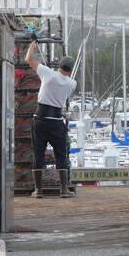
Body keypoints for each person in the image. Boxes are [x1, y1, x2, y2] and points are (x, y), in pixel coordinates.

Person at [26, 40, 77, 198]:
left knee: (38, 153)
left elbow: (29, 59)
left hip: (40, 119)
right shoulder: (72, 83)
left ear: (59, 65)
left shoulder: (47, 73)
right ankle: (64, 190)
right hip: (56, 121)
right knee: (61, 155)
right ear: (70, 69)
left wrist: (32, 46)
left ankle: (38, 191)